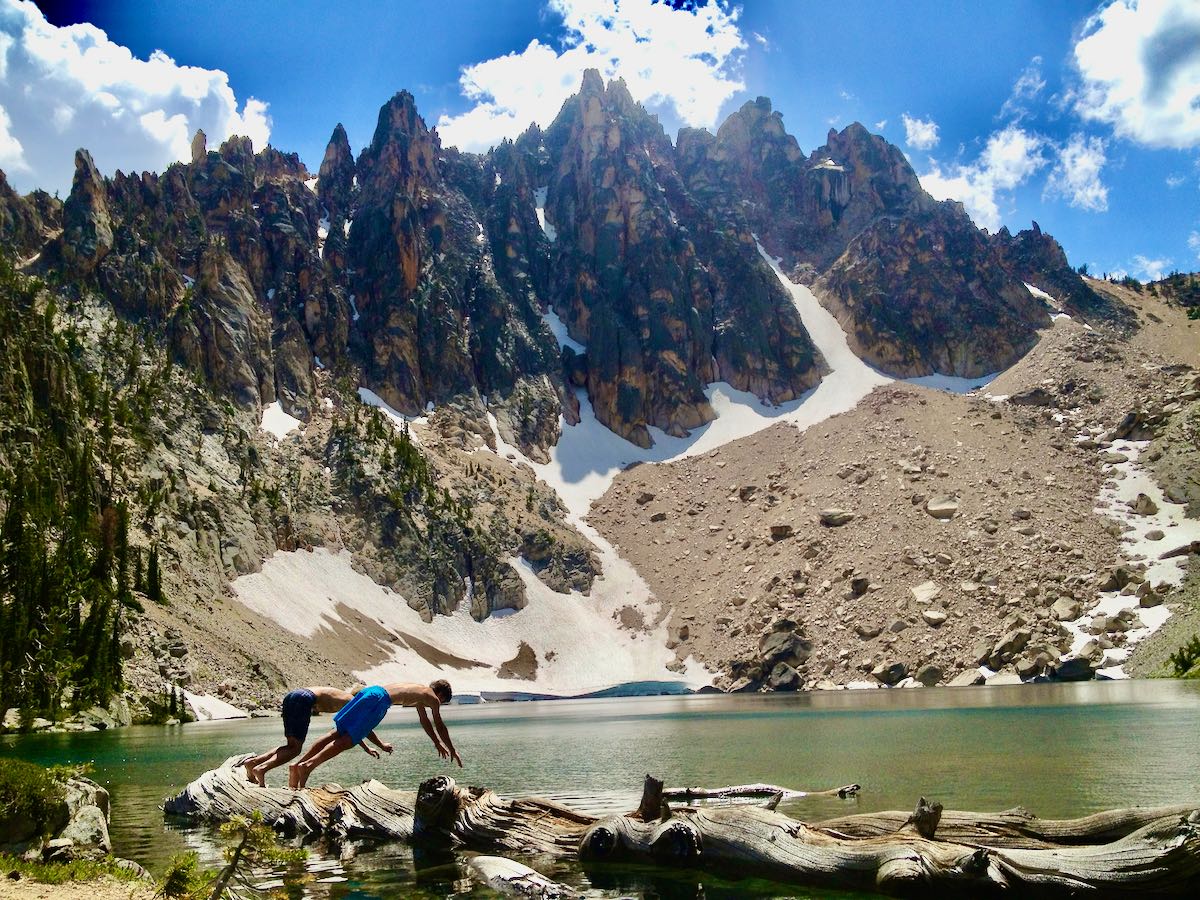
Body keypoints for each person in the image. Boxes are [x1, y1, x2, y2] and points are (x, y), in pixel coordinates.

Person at [289, 680, 460, 790]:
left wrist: (437, 743)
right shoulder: (432, 698)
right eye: (441, 702)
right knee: (348, 740)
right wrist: (451, 749)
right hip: (380, 701)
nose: (438, 704)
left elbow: (425, 721)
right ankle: (308, 766)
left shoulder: (419, 691)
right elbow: (439, 724)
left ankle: (299, 764)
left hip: (370, 691)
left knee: (338, 732)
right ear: (441, 695)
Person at [242, 686, 382, 787]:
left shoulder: (344, 697)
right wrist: (374, 746)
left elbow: (349, 730)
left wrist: (366, 747)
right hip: (305, 699)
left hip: (293, 695)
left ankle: (253, 762)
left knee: (291, 746)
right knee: (295, 749)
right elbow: (361, 729)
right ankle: (262, 769)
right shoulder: (353, 702)